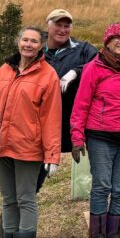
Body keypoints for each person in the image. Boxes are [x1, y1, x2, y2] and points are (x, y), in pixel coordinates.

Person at [0, 25, 62, 238]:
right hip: (2, 146)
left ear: (41, 46)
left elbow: (52, 117)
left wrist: (52, 154)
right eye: (25, 40)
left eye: (34, 41)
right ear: (18, 42)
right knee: (8, 200)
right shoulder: (3, 71)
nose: (28, 45)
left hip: (28, 148)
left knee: (25, 199)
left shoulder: (47, 75)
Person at [71, 24, 120, 238]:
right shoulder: (94, 68)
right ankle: (98, 235)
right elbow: (81, 104)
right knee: (102, 186)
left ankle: (114, 233)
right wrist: (77, 136)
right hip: (101, 136)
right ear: (107, 42)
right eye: (116, 38)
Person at [44, 9, 98, 154]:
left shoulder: (84, 49)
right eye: (58, 25)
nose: (62, 30)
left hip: (74, 125)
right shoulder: (37, 49)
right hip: (42, 123)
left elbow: (99, 65)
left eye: (66, 26)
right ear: (48, 25)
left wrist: (76, 72)